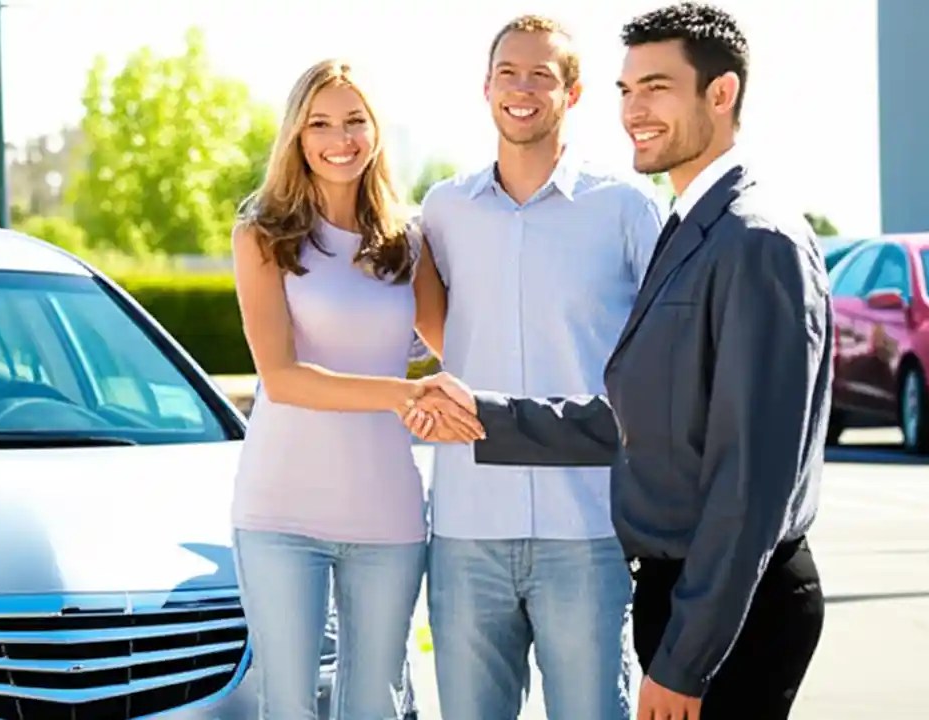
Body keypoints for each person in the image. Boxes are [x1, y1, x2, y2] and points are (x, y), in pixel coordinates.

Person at [411, 3, 832, 719]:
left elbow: (750, 483)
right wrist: (482, 415)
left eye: (658, 87)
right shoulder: (695, 225)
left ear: (720, 93)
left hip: (719, 605)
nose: (636, 109)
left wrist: (686, 658)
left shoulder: (752, 239)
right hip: (673, 590)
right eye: (629, 89)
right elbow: (644, 417)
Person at [410, 14, 665, 720]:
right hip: (466, 529)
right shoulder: (444, 209)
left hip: (585, 528)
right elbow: (440, 331)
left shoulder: (626, 207)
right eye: (509, 73)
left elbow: (664, 354)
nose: (522, 89)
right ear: (486, 87)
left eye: (542, 75)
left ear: (573, 94)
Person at [228, 58, 481, 720]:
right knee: (288, 706)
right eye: (320, 124)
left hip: (387, 514)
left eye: (354, 121)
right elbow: (281, 380)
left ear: (375, 131)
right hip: (280, 512)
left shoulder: (407, 239)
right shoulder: (263, 233)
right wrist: (403, 396)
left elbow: (460, 348)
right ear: (297, 136)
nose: (340, 139)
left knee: (374, 705)